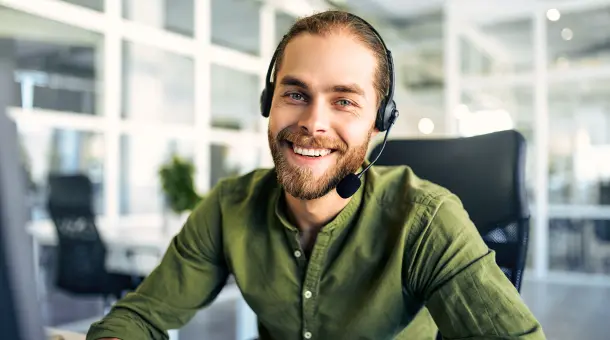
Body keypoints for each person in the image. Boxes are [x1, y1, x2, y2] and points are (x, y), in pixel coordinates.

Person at [87, 10, 545, 340]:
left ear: (379, 122)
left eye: (344, 100)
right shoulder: (231, 207)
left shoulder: (426, 220)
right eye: (295, 93)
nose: (313, 123)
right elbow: (139, 316)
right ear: (269, 103)